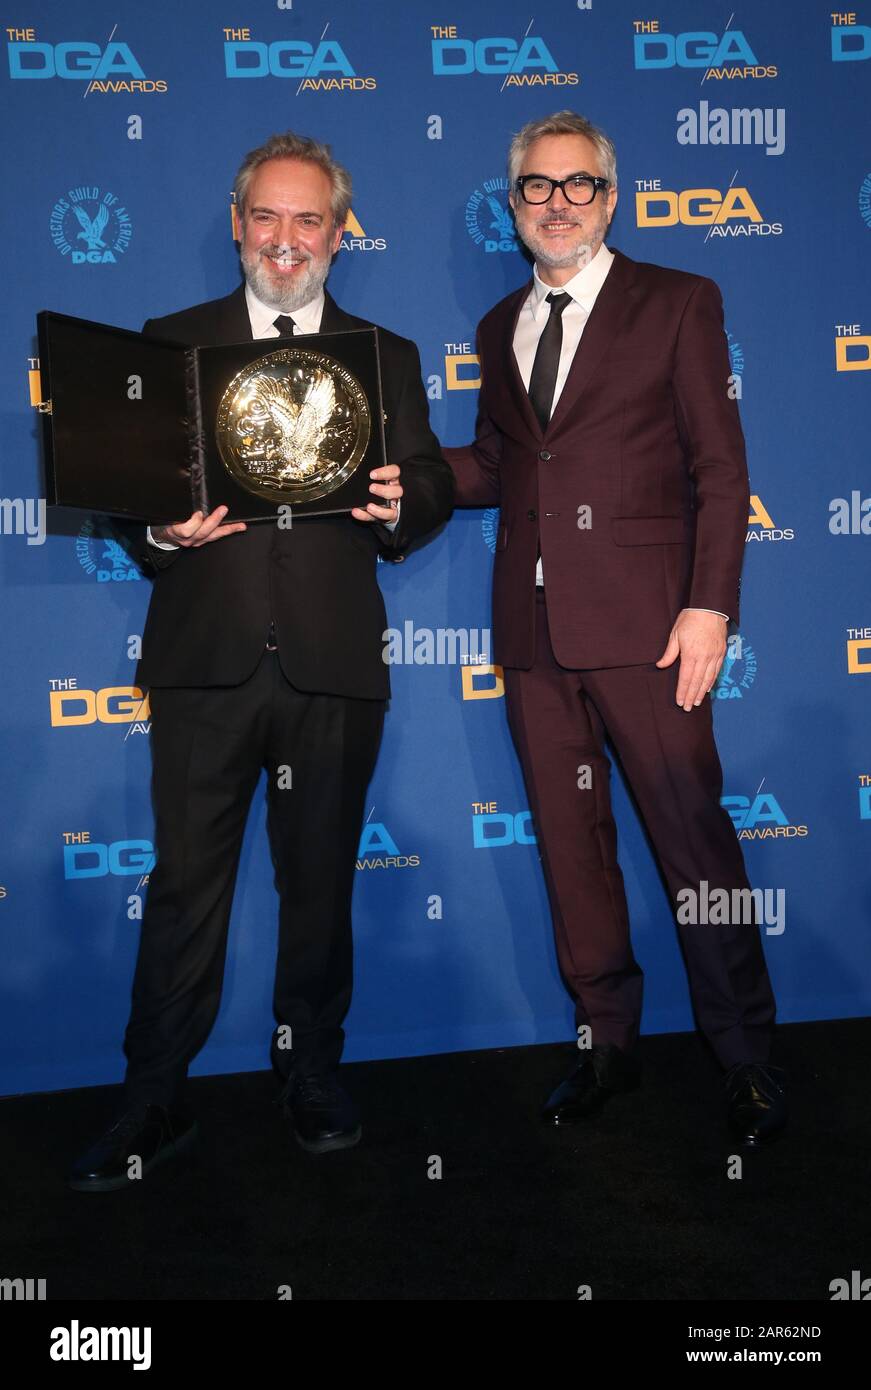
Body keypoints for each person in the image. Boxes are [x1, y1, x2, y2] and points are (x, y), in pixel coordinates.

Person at [69, 131, 453, 1191]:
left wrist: (401, 502)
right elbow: (121, 492)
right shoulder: (169, 342)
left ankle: (314, 1072)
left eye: (310, 219)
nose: (288, 241)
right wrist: (158, 531)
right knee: (187, 889)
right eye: (268, 217)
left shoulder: (386, 353)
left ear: (339, 231)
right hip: (206, 665)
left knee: (320, 886)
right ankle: (153, 1099)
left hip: (331, 665)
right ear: (237, 222)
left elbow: (428, 482)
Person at [443, 111, 786, 1146]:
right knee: (571, 852)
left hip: (651, 631)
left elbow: (719, 470)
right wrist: (404, 481)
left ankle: (746, 1058)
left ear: (611, 196)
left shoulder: (679, 302)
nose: (556, 203)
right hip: (535, 636)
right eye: (535, 188)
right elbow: (503, 466)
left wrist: (708, 604)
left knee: (697, 850)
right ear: (513, 207)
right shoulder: (499, 324)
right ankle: (605, 1042)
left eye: (577, 184)